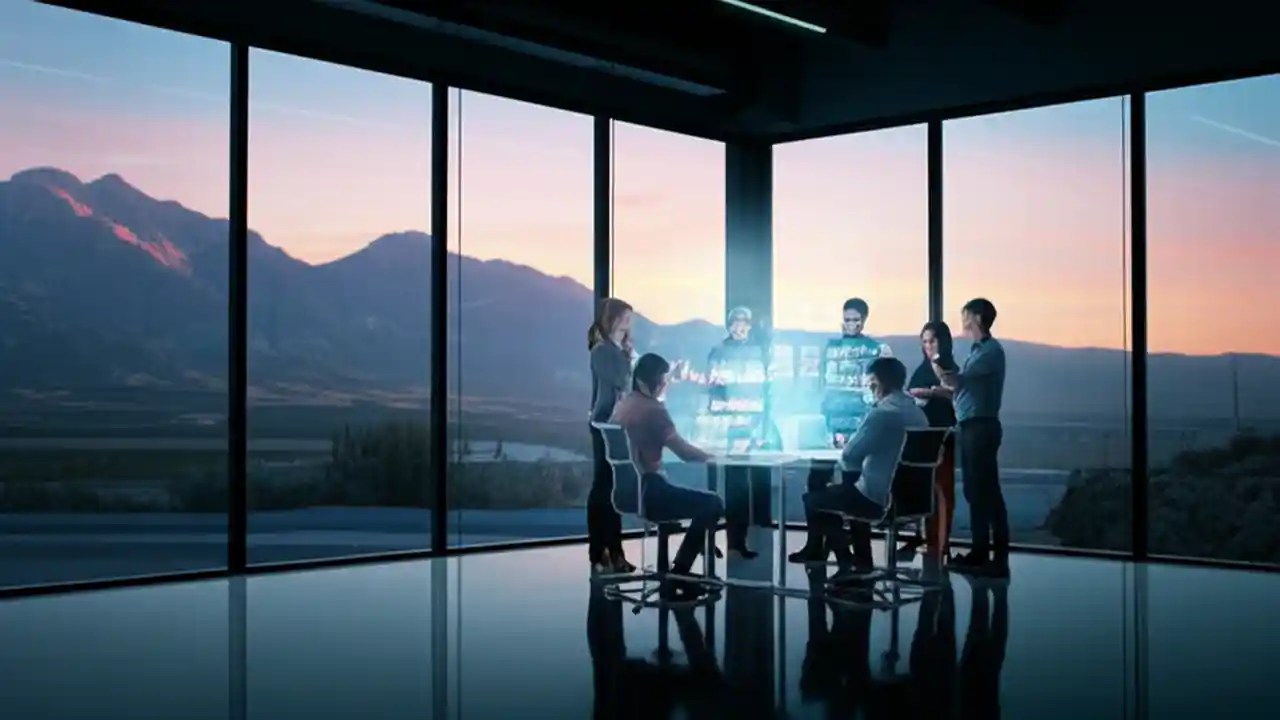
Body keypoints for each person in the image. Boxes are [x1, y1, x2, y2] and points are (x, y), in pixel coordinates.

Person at [791, 357, 928, 577]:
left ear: (880, 383)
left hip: (876, 500)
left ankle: (848, 563)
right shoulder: (918, 414)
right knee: (850, 489)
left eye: (871, 382)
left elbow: (850, 455)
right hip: (913, 501)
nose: (870, 388)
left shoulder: (881, 414)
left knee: (814, 498)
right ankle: (861, 560)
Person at [611, 353, 724, 598]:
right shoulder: (654, 409)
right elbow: (683, 451)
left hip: (624, 492)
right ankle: (681, 571)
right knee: (713, 503)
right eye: (662, 380)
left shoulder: (624, 405)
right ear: (645, 381)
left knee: (683, 491)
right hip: (651, 491)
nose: (665, 385)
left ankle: (678, 570)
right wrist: (713, 457)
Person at [936, 298, 1008, 577]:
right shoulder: (980, 351)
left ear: (976, 318)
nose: (962, 321)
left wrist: (938, 366)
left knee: (983, 491)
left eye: (965, 316)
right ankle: (984, 553)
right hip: (972, 426)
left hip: (980, 427)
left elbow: (957, 382)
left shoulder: (990, 352)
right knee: (978, 491)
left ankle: (988, 554)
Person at [587, 297, 636, 574]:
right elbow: (620, 380)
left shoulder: (622, 350)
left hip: (620, 424)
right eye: (624, 317)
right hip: (604, 423)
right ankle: (600, 552)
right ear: (613, 319)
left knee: (613, 488)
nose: (629, 322)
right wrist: (629, 362)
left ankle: (616, 552)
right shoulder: (602, 351)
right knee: (603, 486)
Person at [904, 321, 959, 556]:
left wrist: (929, 392)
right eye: (924, 341)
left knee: (942, 488)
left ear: (943, 342)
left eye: (932, 340)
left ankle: (942, 542)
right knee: (924, 488)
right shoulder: (921, 368)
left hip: (942, 433)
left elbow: (953, 391)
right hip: (921, 435)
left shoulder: (947, 367)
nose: (928, 346)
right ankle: (928, 539)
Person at [820, 298, 895, 444]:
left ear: (864, 319)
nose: (851, 324)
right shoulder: (831, 349)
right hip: (835, 417)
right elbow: (823, 381)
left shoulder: (877, 349)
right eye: (847, 320)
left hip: (864, 416)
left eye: (856, 319)